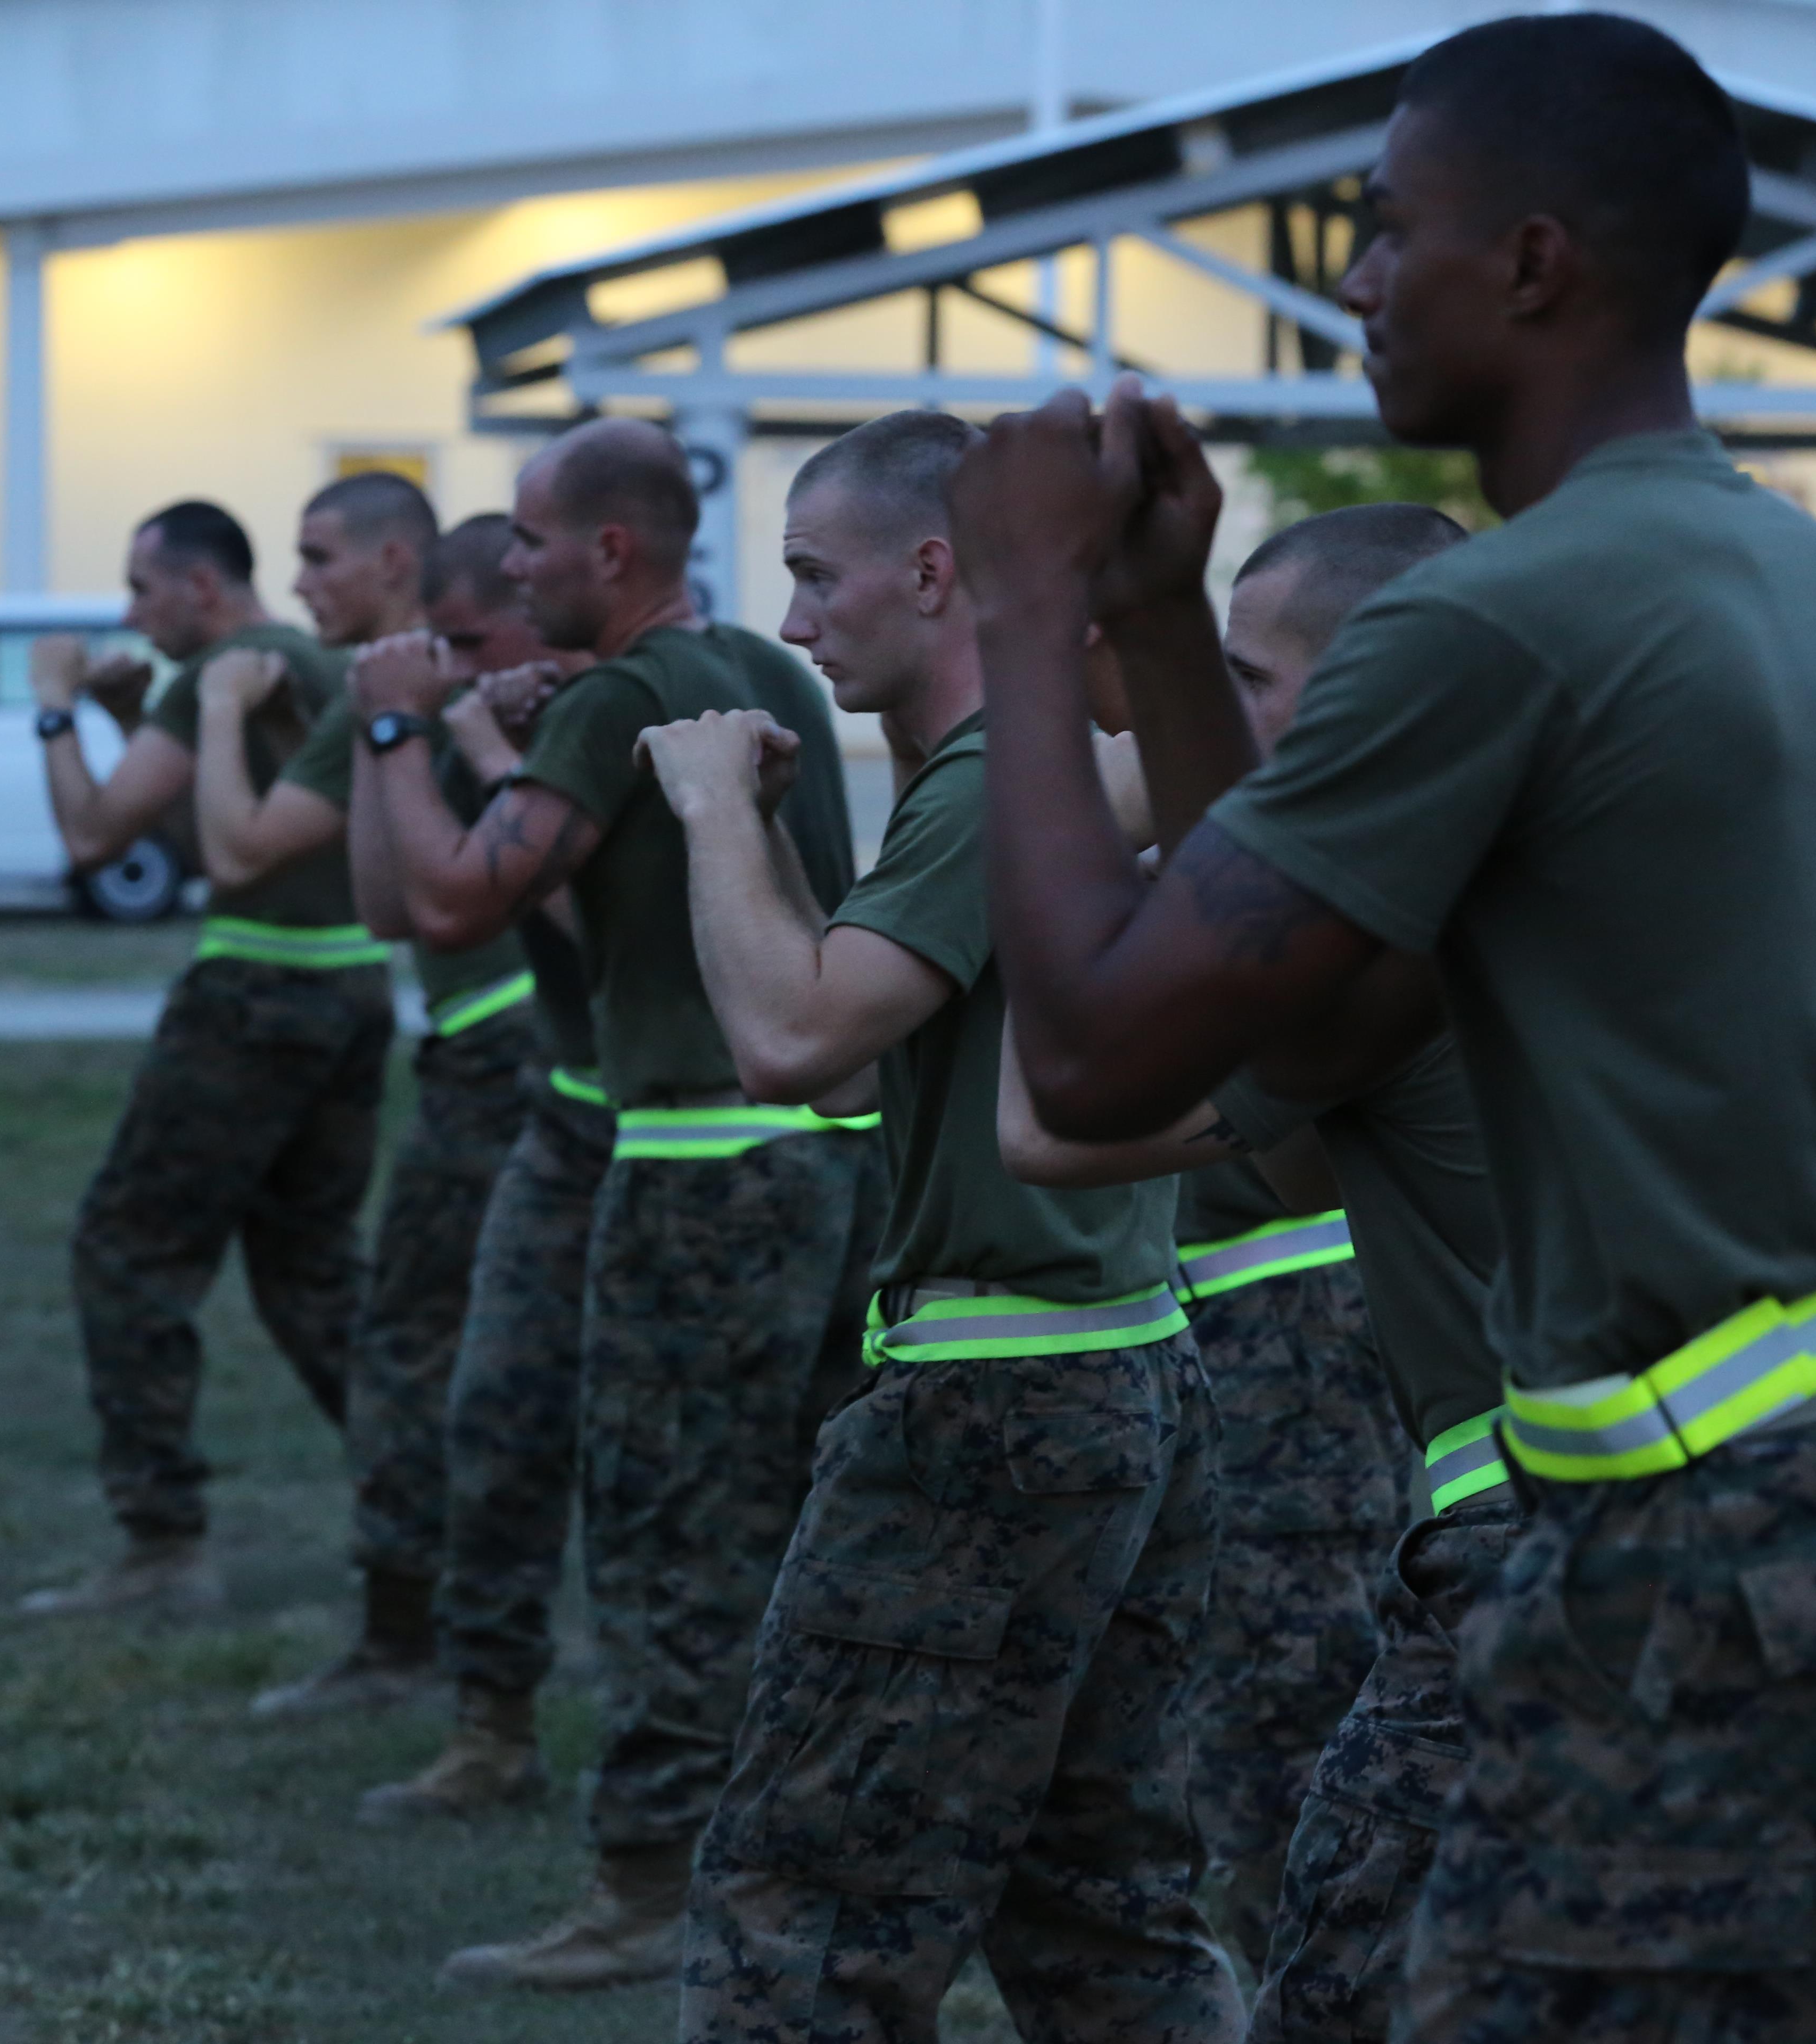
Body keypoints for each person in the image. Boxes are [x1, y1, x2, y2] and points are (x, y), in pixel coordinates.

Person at [949, 14, 1816, 2040]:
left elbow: (1104, 1057)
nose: (1358, 281)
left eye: (1393, 233)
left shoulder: (1499, 624)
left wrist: (1025, 614)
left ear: (1539, 265)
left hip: (1713, 1561)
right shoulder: (1781, 569)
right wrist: (1150, 621)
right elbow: (1306, 1047)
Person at [635, 408, 1239, 2043]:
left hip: (992, 1408)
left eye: (816, 578)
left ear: (931, 570)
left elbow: (790, 1044)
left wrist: (707, 806)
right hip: (1123, 1381)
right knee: (1099, 1912)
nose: (794, 621)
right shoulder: (1012, 787)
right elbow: (866, 1068)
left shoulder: (986, 789)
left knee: (803, 1912)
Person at [351, 418, 884, 1991]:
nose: (507, 570)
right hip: (815, 1154)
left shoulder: (622, 693)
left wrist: (399, 730)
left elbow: (441, 901)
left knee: (662, 1543)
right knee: (773, 1530)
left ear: (610, 553)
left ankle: (649, 1889)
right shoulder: (755, 675)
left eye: (527, 545)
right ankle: (789, 1852)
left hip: (696, 1174)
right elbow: (519, 900)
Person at [994, 504, 1517, 2044]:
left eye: (1247, 678)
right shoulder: (1543, 850)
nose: (1210, 715)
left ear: (1380, 694)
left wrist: (1072, 902)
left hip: (1541, 1525)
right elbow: (1325, 1158)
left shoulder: (1374, 918)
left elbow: (1048, 1126)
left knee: (1339, 1981)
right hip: (1668, 1501)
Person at [169, 468, 526, 1715]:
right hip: (556, 1050)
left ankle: (402, 1645)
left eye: (320, 557)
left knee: (403, 1341)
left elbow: (238, 850)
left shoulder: (396, 680)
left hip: (498, 1058)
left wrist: (219, 712)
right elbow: (385, 908)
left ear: (392, 566)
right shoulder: (480, 673)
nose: (301, 581)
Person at [20, 499, 388, 1616]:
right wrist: (145, 722)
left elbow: (92, 839)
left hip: (250, 999)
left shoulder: (225, 670)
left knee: (127, 1250)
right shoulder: (315, 663)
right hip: (351, 989)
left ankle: (163, 1543)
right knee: (312, 1274)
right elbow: (227, 844)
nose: (129, 610)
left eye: (142, 587)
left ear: (204, 588)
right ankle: (428, 1500)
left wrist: (52, 714)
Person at [345, 513, 615, 1819]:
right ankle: (489, 1725)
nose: (454, 665)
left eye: (468, 641)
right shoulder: (498, 722)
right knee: (494, 1422)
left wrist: (469, 740)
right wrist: (383, 732)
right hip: (565, 1120)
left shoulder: (617, 711)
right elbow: (391, 907)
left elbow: (582, 924)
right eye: (439, 645)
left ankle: (678, 1792)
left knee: (665, 1480)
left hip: (689, 1136)